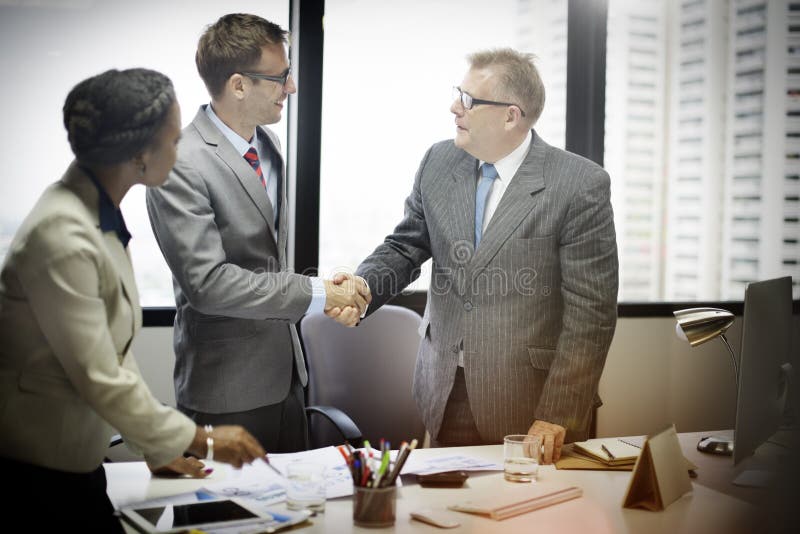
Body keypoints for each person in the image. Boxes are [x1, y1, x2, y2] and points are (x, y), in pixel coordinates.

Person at [0, 68, 266, 532]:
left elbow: (114, 354)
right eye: (172, 139)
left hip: (73, 463)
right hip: (37, 475)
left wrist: (161, 448)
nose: (179, 150)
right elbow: (101, 377)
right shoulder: (62, 235)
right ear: (140, 153)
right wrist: (200, 438)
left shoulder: (96, 213)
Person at [343, 48, 618, 463]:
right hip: (445, 389)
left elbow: (591, 314)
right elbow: (406, 245)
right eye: (459, 93)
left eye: (469, 100)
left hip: (532, 405)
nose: (455, 107)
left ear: (511, 116)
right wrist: (363, 287)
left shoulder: (580, 185)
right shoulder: (438, 160)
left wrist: (557, 413)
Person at [146, 13, 367, 453]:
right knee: (226, 520)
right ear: (239, 84)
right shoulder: (181, 163)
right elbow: (209, 285)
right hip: (226, 389)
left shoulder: (269, 146)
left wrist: (330, 288)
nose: (292, 88)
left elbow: (265, 259)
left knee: (296, 517)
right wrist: (318, 293)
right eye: (280, 77)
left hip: (288, 376)